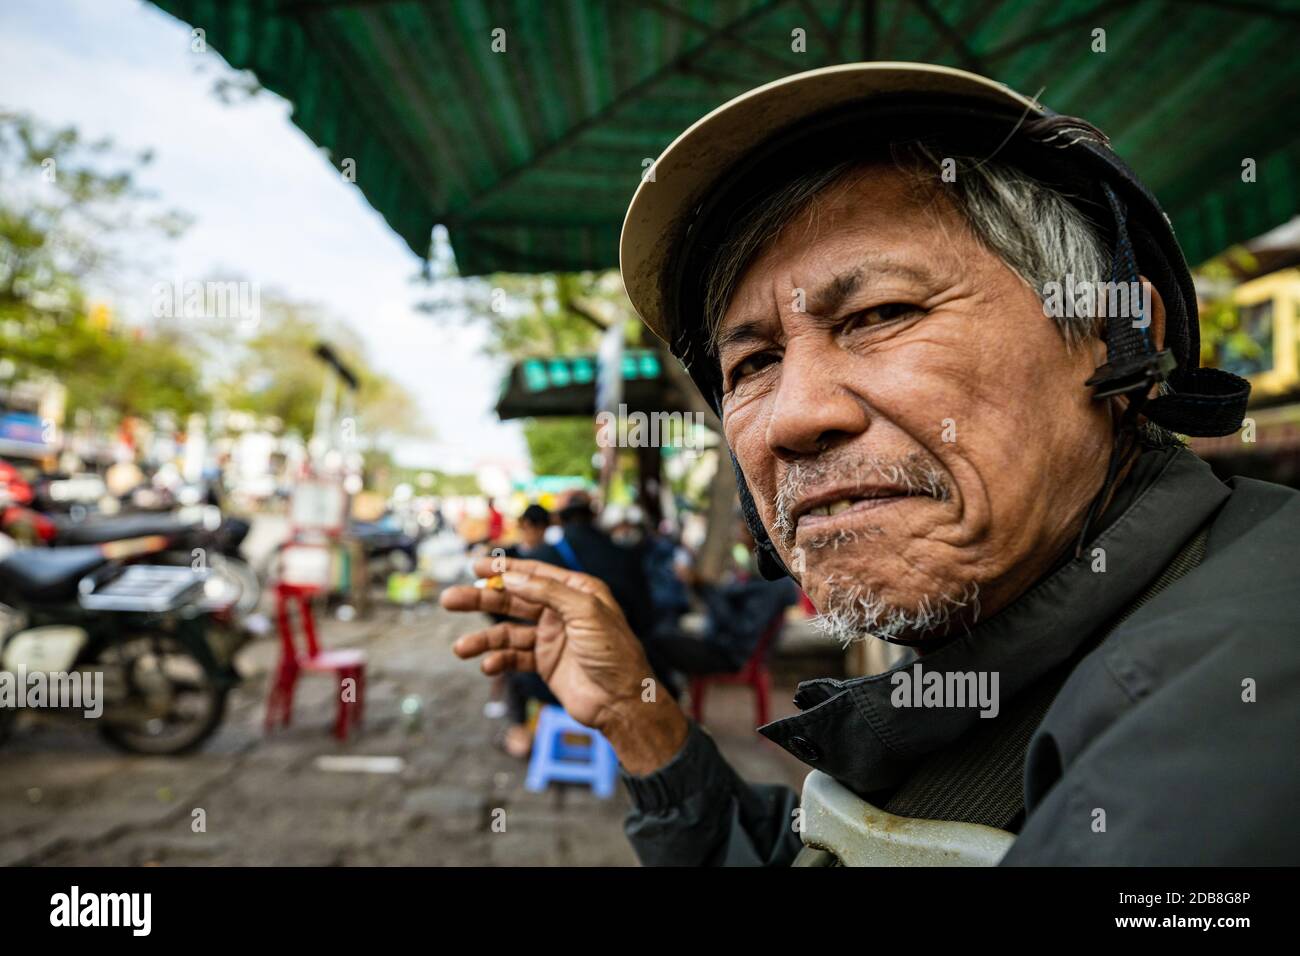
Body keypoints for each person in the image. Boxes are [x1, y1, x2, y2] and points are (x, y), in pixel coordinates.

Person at [443, 63, 1300, 865]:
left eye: (884, 313)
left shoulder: (1223, 718)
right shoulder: (1038, 639)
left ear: (1121, 336)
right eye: (753, 365)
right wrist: (639, 715)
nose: (796, 416)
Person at [652, 522, 798, 678]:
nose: (737, 536)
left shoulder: (769, 581)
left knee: (654, 644)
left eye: (742, 530)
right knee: (659, 635)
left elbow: (739, 628)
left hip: (729, 656)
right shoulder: (758, 573)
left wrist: (702, 587)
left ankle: (659, 697)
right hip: (723, 647)